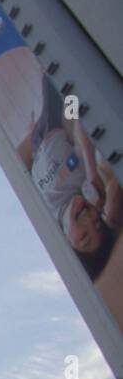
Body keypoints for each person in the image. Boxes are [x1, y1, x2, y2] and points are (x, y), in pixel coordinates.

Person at [18, 75, 122, 278]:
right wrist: (92, 172)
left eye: (84, 237)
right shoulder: (85, 180)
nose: (89, 222)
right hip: (56, 126)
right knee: (63, 83)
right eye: (97, 224)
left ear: (68, 241)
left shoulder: (48, 217)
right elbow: (79, 127)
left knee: (48, 74)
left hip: (39, 142)